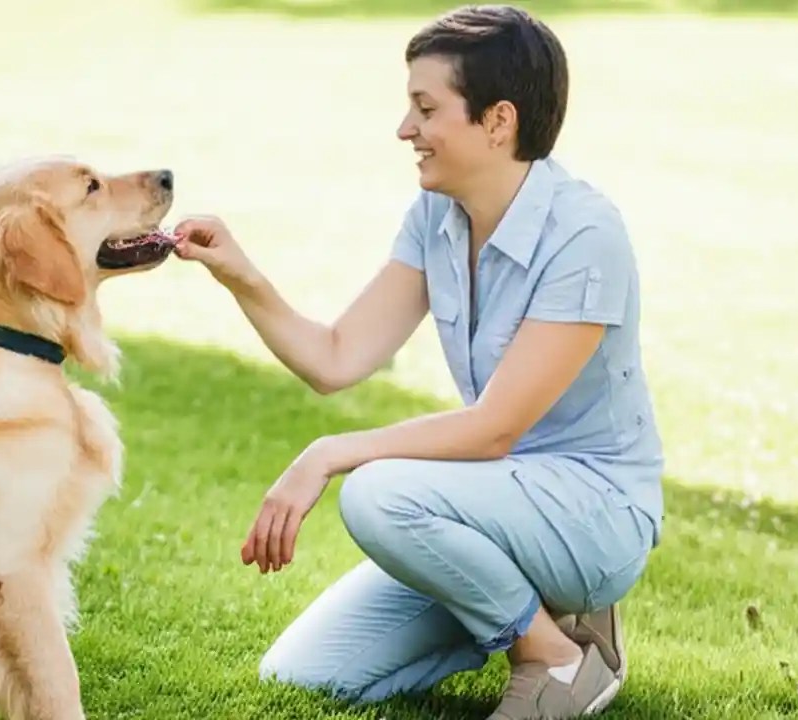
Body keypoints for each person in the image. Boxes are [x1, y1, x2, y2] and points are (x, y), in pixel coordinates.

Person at [170, 5, 663, 718]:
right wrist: (239, 274)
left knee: (377, 493)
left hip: (594, 517)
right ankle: (536, 611)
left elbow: (495, 428)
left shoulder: (586, 234)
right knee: (304, 675)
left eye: (425, 108)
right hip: (491, 509)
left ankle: (554, 657)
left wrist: (329, 454)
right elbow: (336, 358)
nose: (406, 130)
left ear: (498, 121)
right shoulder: (437, 217)